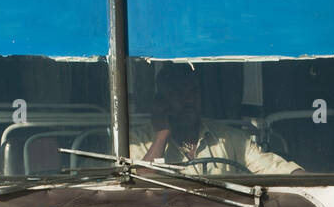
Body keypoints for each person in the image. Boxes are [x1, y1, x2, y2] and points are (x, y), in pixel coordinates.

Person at [128, 65, 303, 175]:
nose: (189, 100)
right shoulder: (138, 141)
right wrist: (161, 136)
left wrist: (314, 184)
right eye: (179, 93)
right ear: (161, 101)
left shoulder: (229, 138)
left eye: (193, 92)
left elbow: (274, 168)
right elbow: (138, 184)